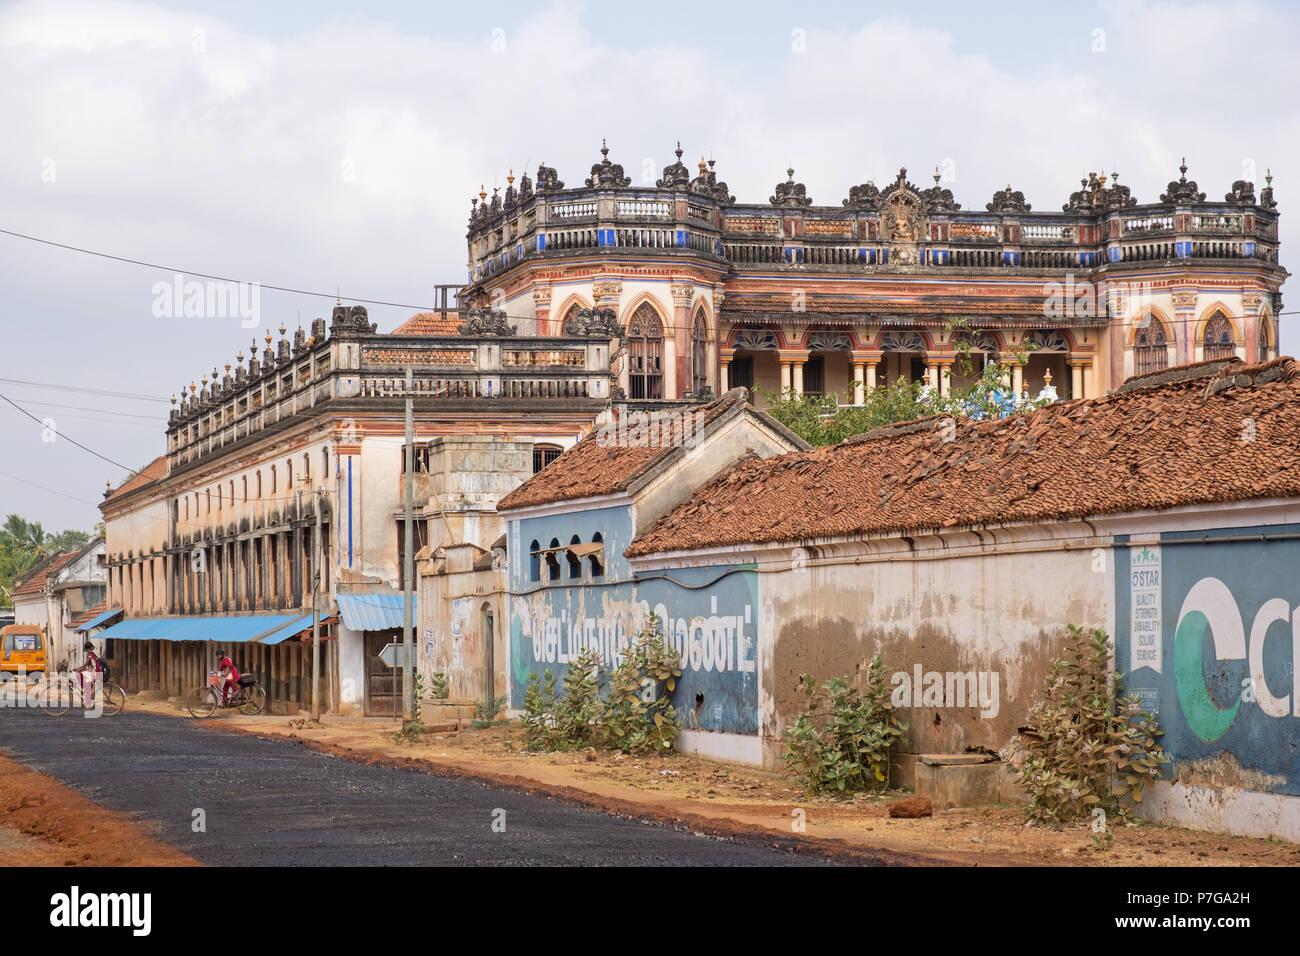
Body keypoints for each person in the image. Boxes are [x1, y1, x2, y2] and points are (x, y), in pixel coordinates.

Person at [75, 641, 103, 708]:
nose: (87, 650)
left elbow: (84, 665)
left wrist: (77, 669)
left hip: (94, 673)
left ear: (87, 649)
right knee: (83, 677)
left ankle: (88, 702)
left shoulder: (90, 656)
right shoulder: (93, 654)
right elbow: (86, 667)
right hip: (96, 673)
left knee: (81, 677)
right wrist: (78, 669)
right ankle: (87, 698)